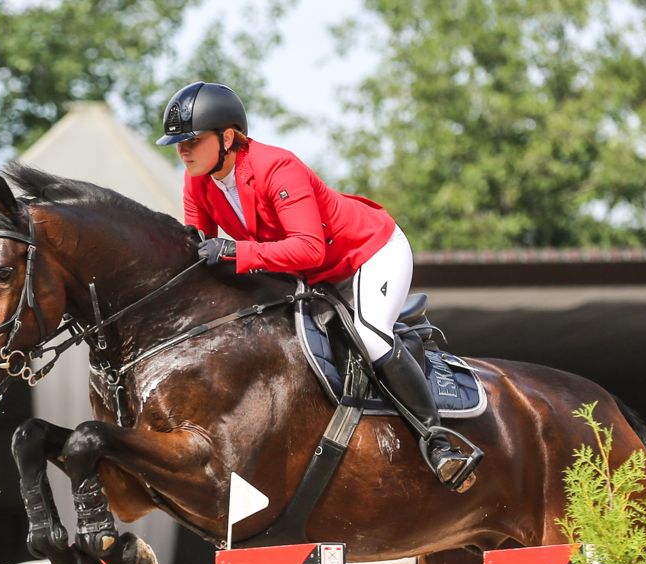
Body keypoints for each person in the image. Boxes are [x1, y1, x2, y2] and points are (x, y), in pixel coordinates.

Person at [157, 81, 479, 491]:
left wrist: (237, 251)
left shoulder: (278, 168)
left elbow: (307, 248)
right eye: (178, 142)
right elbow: (200, 252)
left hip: (368, 253)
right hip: (311, 272)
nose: (182, 150)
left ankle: (437, 441)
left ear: (229, 137)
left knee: (368, 334)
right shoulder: (197, 181)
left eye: (192, 140)